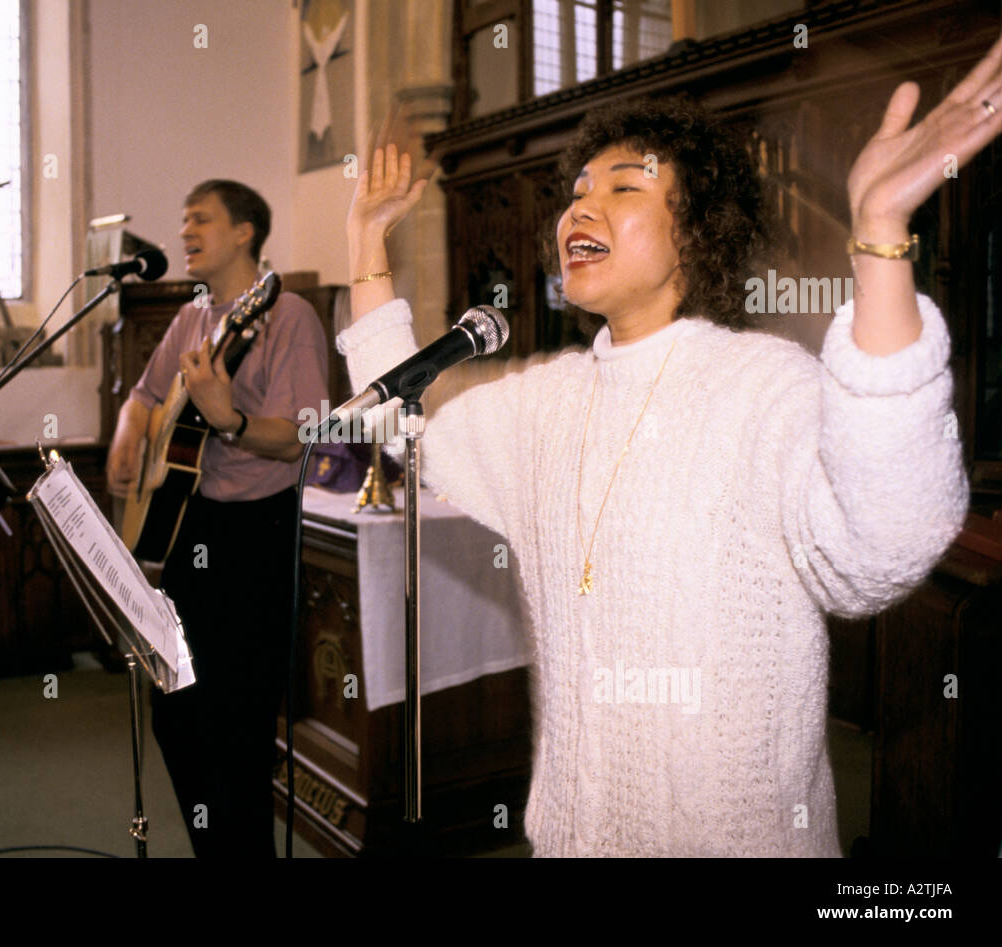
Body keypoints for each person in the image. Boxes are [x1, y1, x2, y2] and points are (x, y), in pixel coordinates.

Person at [339, 35, 1002, 856]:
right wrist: (368, 246)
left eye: (625, 188)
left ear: (695, 232)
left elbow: (886, 539)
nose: (580, 208)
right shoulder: (546, 402)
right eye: (577, 192)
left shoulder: (762, 384)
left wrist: (879, 237)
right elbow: (400, 419)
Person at [106, 180, 328, 856]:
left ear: (245, 232)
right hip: (187, 528)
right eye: (183, 219)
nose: (186, 231)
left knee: (237, 731)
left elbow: (298, 435)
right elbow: (144, 396)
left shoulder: (287, 316)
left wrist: (227, 417)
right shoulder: (193, 315)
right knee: (175, 714)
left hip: (255, 536)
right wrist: (126, 437)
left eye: (201, 219)